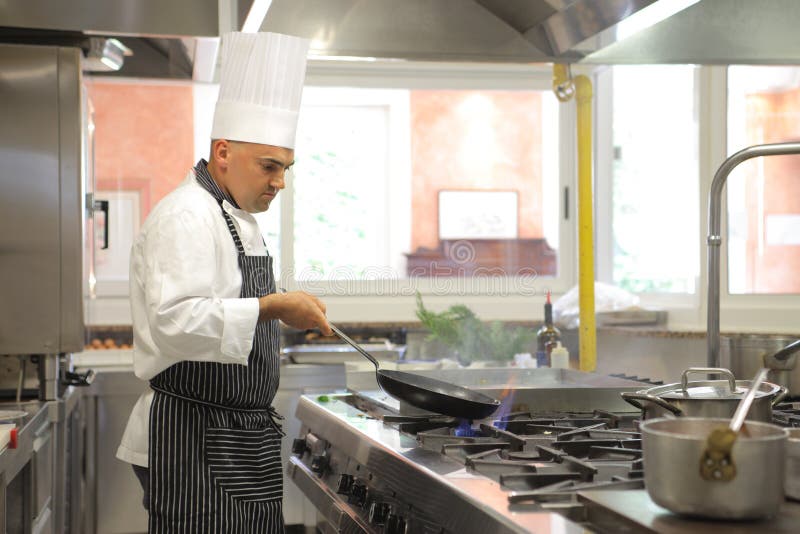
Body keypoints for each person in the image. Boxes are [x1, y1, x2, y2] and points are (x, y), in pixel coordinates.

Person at [116, 31, 331, 533]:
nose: (280, 182)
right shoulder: (188, 216)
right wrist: (274, 306)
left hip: (231, 435)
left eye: (286, 169)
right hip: (190, 436)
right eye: (270, 166)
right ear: (223, 152)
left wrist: (275, 307)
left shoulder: (232, 216)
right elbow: (173, 321)